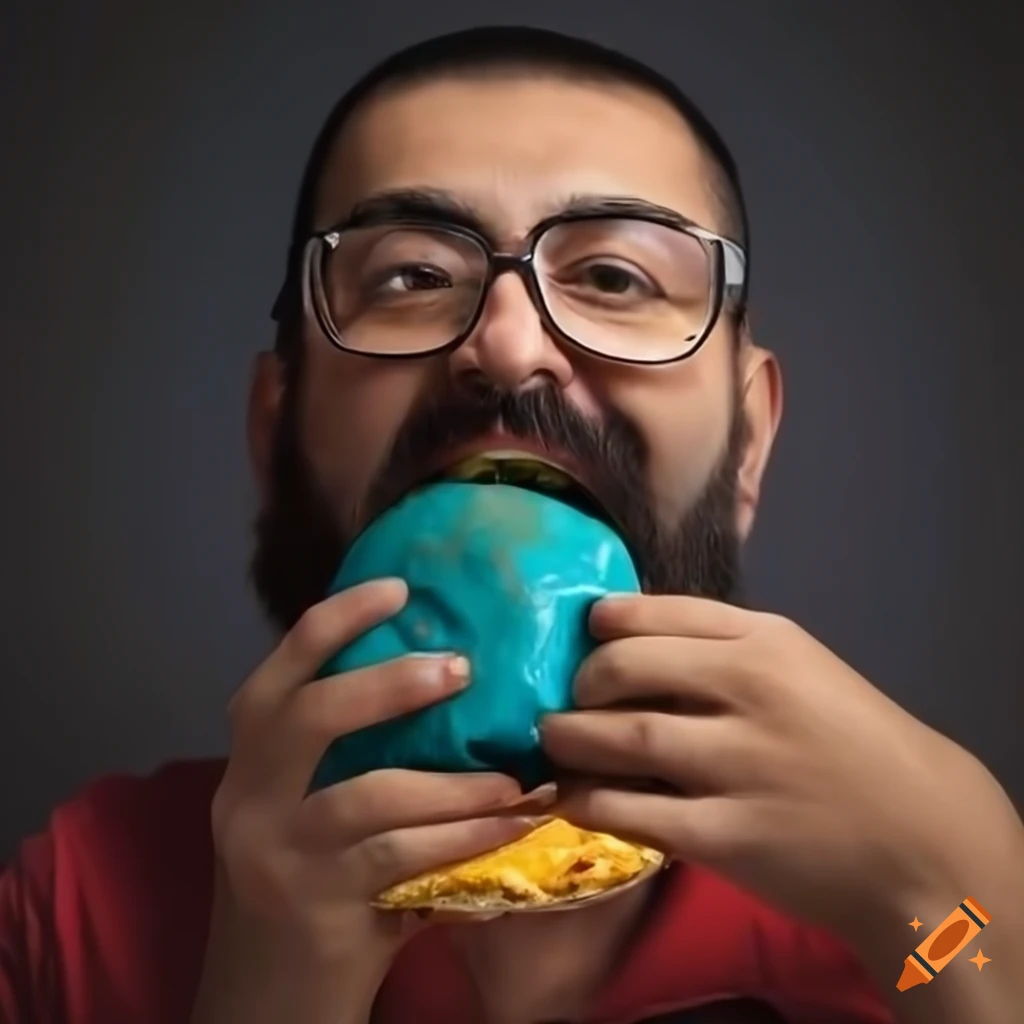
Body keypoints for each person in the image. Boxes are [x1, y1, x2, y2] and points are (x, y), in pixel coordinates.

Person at [1, 24, 1022, 1024]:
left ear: (747, 440)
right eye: (411, 275)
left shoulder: (922, 878)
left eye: (613, 276)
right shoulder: (81, 908)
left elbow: (963, 941)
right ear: (275, 435)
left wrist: (945, 915)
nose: (505, 342)